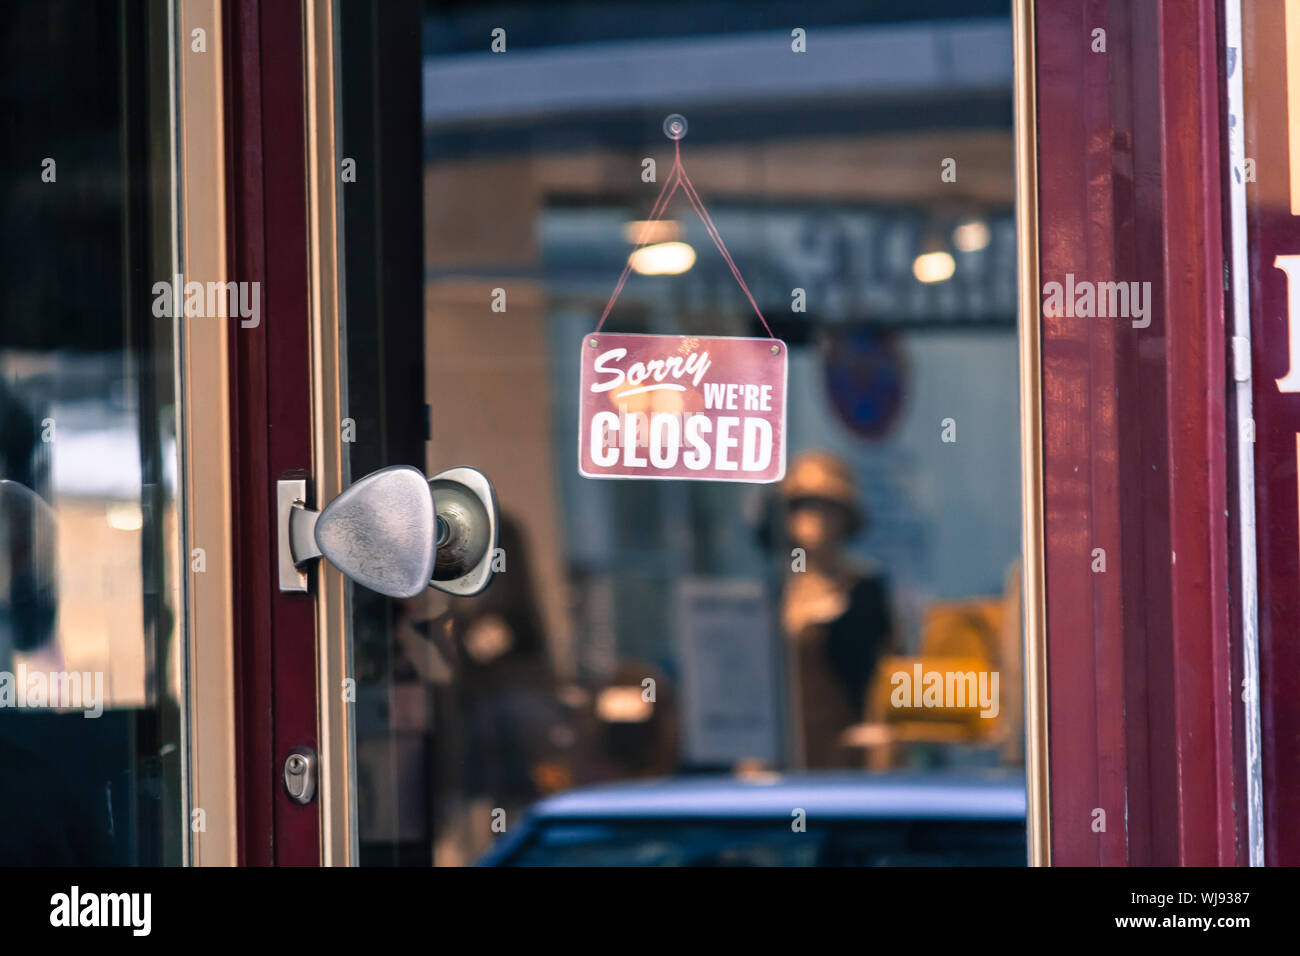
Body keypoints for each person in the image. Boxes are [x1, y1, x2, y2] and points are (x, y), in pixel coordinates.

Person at [777, 450, 893, 769]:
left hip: (850, 756)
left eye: (827, 507)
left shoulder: (867, 591)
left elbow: (885, 673)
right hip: (784, 755)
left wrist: (884, 746)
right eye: (802, 505)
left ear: (846, 516)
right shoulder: (773, 593)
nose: (814, 517)